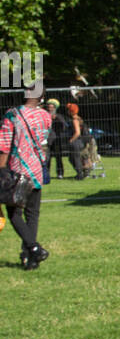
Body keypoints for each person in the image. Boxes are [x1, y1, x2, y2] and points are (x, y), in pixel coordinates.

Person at [0, 80, 52, 269]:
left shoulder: (13, 115)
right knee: (33, 214)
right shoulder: (46, 116)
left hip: (17, 170)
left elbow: (4, 145)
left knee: (14, 213)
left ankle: (34, 248)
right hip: (37, 170)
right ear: (41, 97)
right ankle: (30, 259)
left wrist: (2, 171)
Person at [46, 98, 68, 178]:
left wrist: (57, 119)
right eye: (49, 107)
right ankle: (46, 174)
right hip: (47, 140)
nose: (50, 109)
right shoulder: (44, 115)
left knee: (58, 157)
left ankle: (60, 173)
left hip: (57, 140)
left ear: (55, 108)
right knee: (47, 158)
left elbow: (64, 126)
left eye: (51, 107)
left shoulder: (59, 116)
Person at [67, 101, 86, 179]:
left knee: (75, 158)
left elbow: (77, 132)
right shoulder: (79, 118)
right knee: (72, 158)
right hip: (79, 142)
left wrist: (71, 140)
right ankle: (80, 172)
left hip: (76, 142)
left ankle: (80, 174)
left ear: (71, 111)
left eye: (68, 110)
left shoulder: (75, 120)